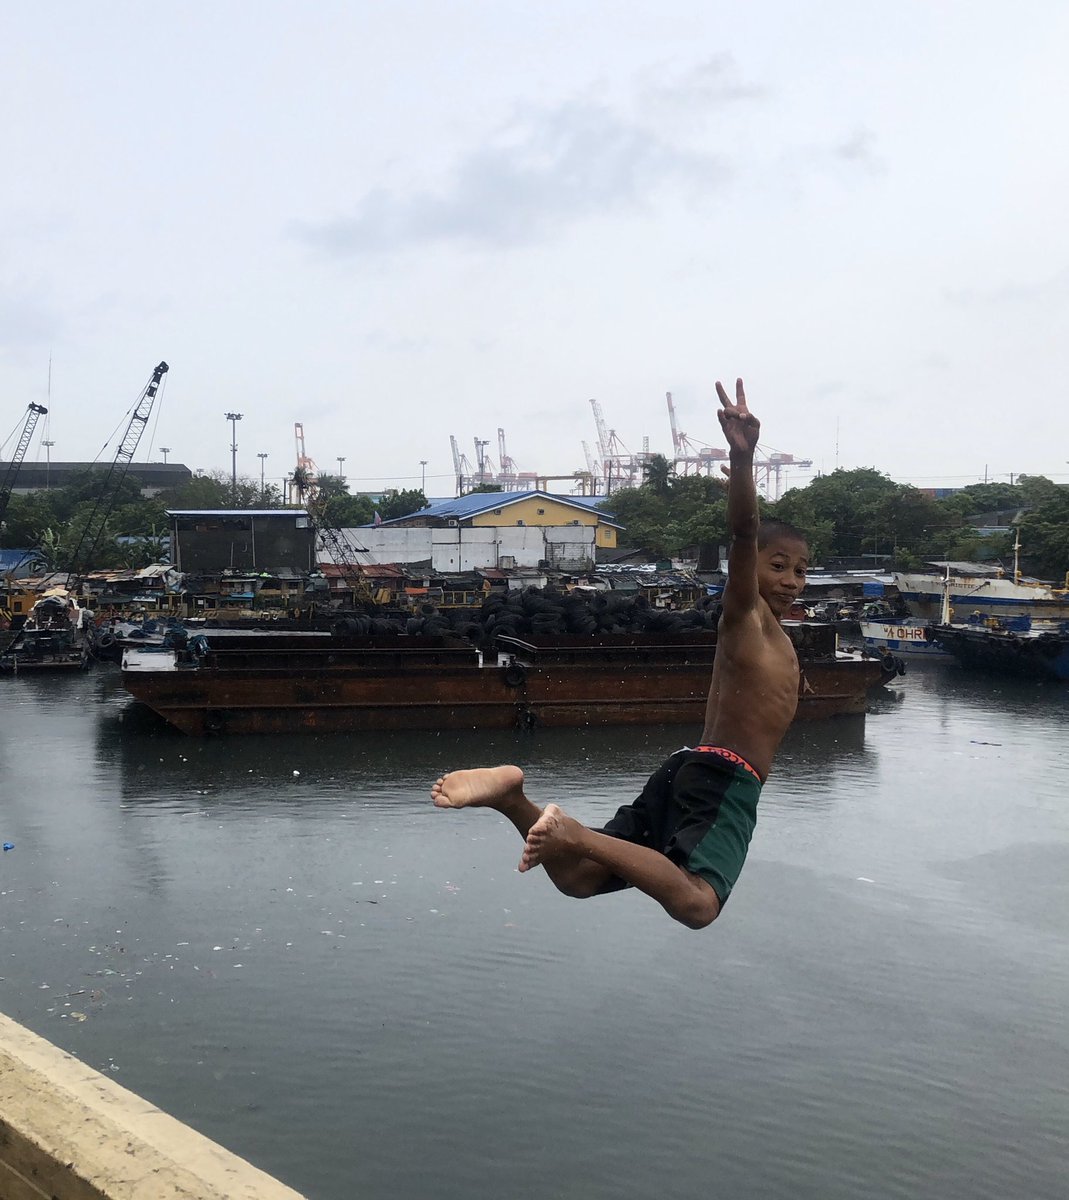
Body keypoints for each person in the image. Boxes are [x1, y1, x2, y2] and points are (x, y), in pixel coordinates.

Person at [430, 379, 809, 929]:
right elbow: (745, 529)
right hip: (727, 778)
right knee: (698, 903)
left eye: (800, 570)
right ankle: (572, 830)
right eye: (778, 565)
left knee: (578, 878)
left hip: (690, 768)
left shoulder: (776, 637)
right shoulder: (745, 617)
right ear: (750, 569)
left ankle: (512, 797)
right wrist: (743, 459)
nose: (792, 580)